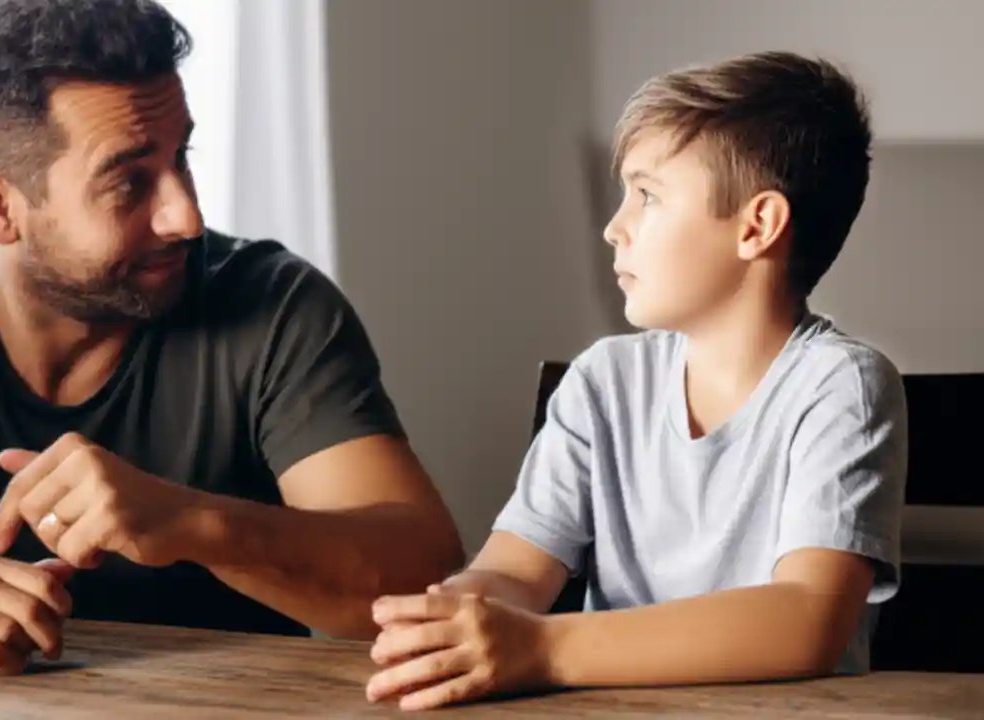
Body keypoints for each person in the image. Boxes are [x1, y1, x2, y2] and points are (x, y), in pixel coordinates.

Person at [0, 0, 462, 676]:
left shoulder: (272, 307)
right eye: (129, 183)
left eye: (182, 158)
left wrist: (191, 522)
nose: (185, 216)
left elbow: (422, 573)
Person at [366, 51, 907, 711]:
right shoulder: (603, 382)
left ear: (757, 226)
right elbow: (514, 572)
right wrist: (453, 616)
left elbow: (807, 619)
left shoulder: (842, 386)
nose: (614, 228)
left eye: (647, 196)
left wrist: (544, 648)